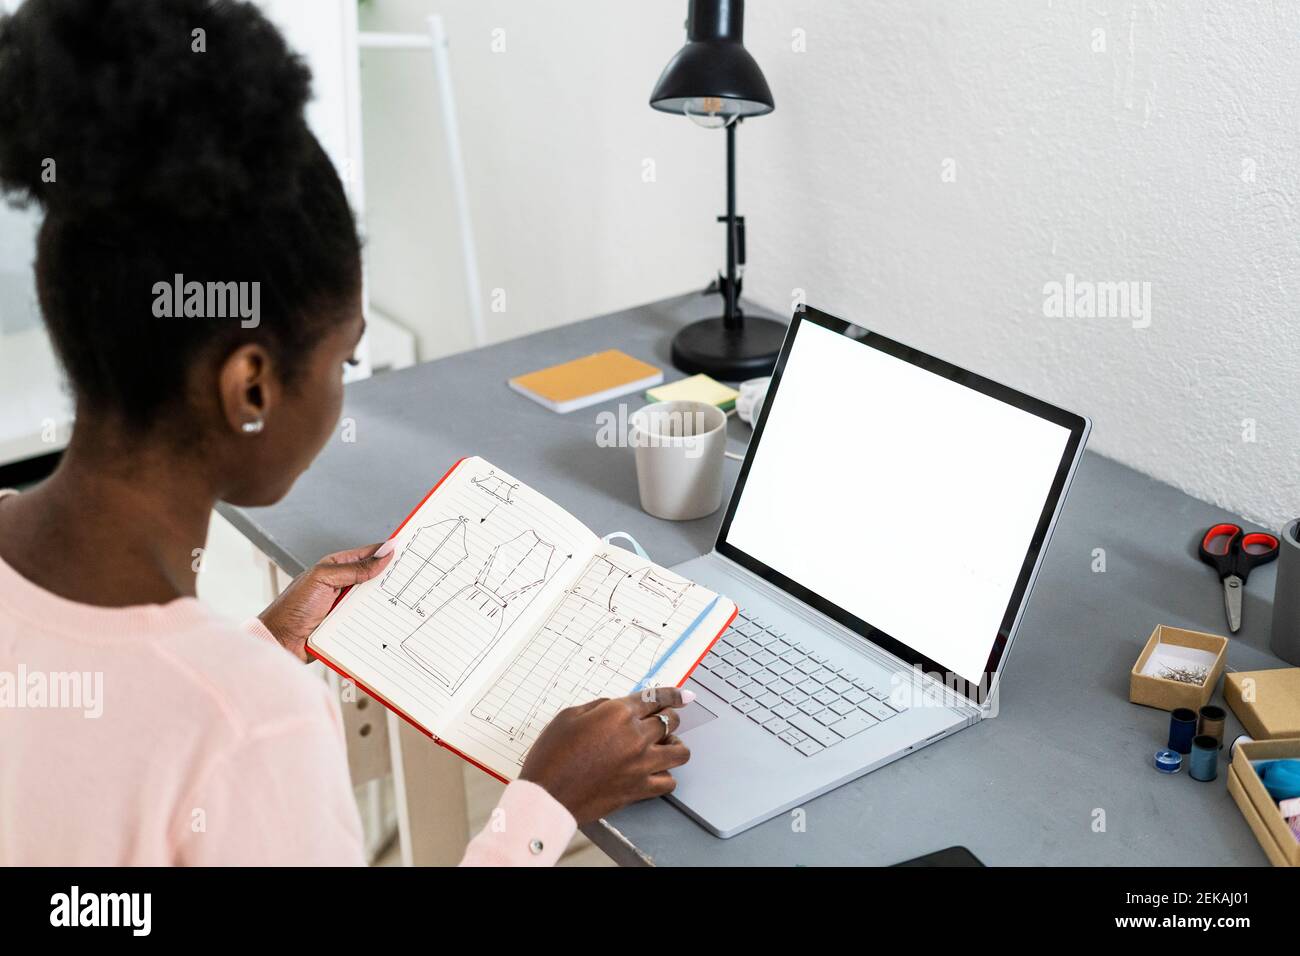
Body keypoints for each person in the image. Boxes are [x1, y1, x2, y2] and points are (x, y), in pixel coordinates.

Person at [0, 0, 691, 866]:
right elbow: (184, 733)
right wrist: (545, 805)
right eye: (344, 360)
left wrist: (258, 644)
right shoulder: (253, 730)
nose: (344, 390)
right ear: (251, 384)